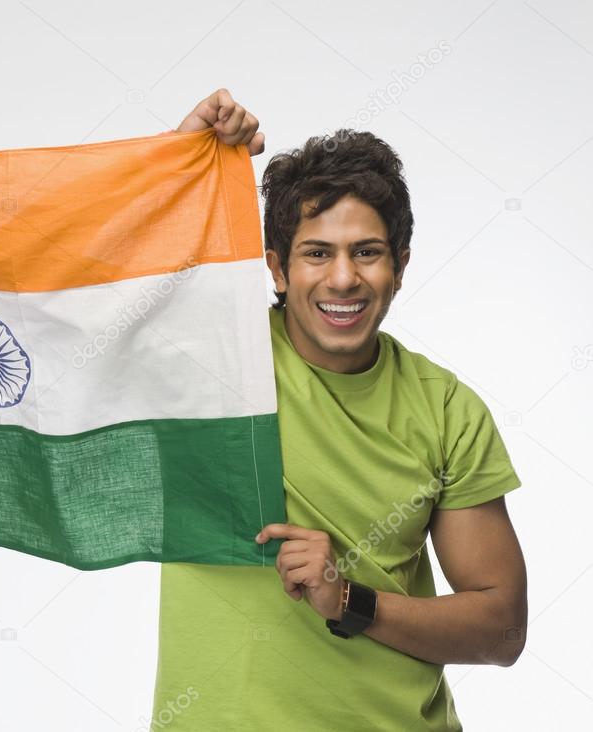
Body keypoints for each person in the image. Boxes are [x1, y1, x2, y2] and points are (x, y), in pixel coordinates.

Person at [149, 89, 527, 730]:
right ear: (276, 268)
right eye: (317, 252)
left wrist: (349, 599)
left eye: (367, 252)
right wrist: (180, 165)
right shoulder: (210, 360)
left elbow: (500, 627)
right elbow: (107, 290)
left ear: (400, 266)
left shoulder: (446, 410)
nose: (343, 278)